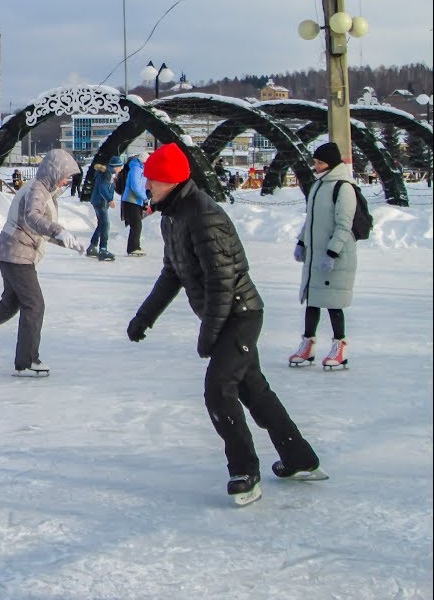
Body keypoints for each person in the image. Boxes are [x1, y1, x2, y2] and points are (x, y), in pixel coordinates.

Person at [125, 143, 323, 506]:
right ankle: (299, 458)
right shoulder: (173, 215)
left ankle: (244, 472)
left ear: (170, 180)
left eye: (151, 178)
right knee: (254, 391)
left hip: (240, 313)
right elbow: (173, 273)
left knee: (218, 389)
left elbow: (222, 281)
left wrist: (210, 333)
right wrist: (144, 317)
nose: (147, 184)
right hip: (224, 315)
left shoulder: (203, 215)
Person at [0, 149, 86, 376]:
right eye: (65, 175)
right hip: (16, 255)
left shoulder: (43, 190)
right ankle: (27, 360)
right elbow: (33, 218)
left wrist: (68, 241)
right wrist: (59, 231)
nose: (65, 181)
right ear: (54, 171)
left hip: (13, 253)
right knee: (34, 304)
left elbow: (39, 227)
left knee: (9, 305)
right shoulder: (38, 189)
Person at [289, 142, 359, 370]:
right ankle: (308, 344)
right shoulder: (319, 186)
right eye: (315, 162)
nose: (316, 166)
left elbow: (344, 225)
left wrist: (332, 252)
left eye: (319, 162)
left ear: (330, 163)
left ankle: (340, 346)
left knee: (333, 303)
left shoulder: (343, 187)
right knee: (313, 300)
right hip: (315, 255)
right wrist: (302, 241)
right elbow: (311, 220)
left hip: (334, 257)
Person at [86, 156, 121, 261]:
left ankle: (92, 246)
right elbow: (103, 188)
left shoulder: (106, 172)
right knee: (105, 225)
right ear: (116, 166)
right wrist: (110, 200)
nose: (121, 169)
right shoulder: (108, 173)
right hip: (101, 202)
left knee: (101, 224)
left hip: (97, 200)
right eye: (120, 166)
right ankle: (103, 249)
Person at [121, 152, 150, 256]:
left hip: (137, 201)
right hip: (130, 200)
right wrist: (145, 198)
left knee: (136, 225)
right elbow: (135, 187)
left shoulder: (141, 169)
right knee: (136, 225)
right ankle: (133, 248)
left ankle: (133, 247)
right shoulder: (136, 169)